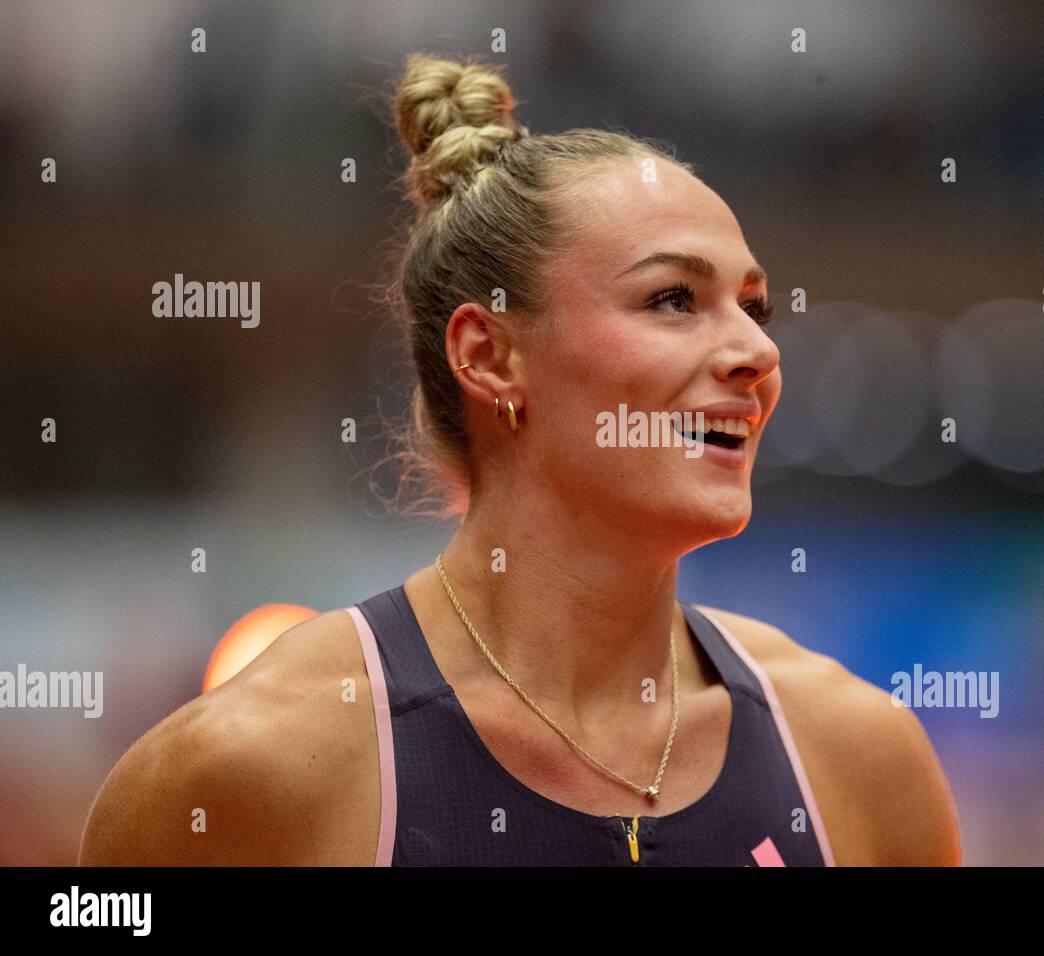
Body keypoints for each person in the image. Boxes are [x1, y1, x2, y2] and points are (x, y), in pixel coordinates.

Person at [79, 54, 960, 867]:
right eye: (673, 299)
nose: (756, 355)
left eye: (754, 309)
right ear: (490, 356)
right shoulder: (250, 769)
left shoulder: (854, 753)